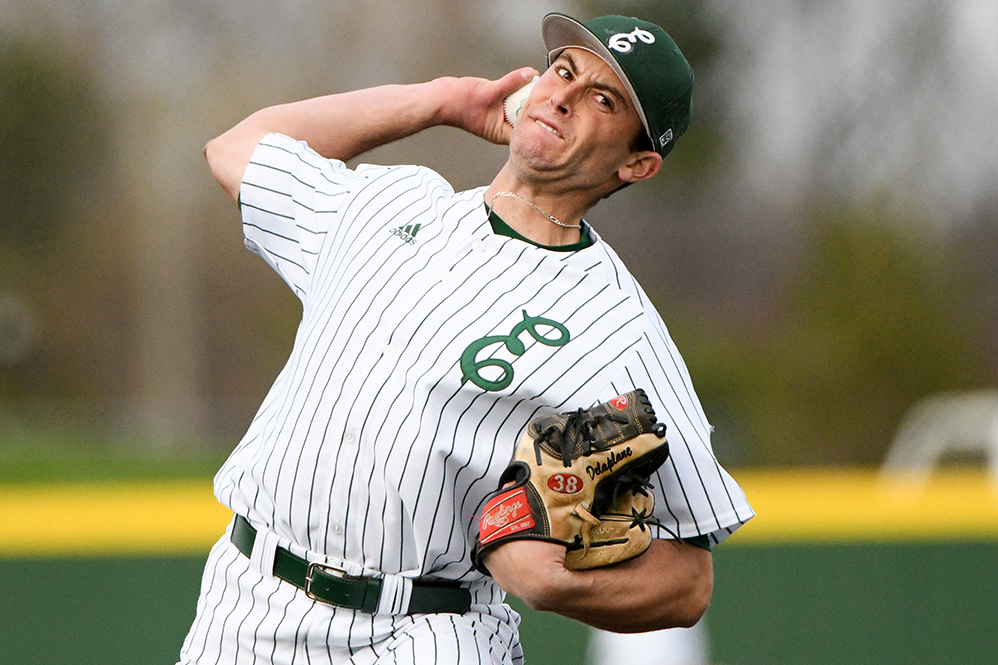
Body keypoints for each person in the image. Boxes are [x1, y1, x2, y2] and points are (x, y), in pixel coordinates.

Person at [180, 12, 753, 665]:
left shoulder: (616, 329)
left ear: (637, 162)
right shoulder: (389, 204)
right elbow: (237, 148)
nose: (563, 96)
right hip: (247, 601)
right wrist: (441, 101)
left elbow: (687, 579)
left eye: (603, 100)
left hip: (422, 629)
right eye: (563, 70)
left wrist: (554, 580)